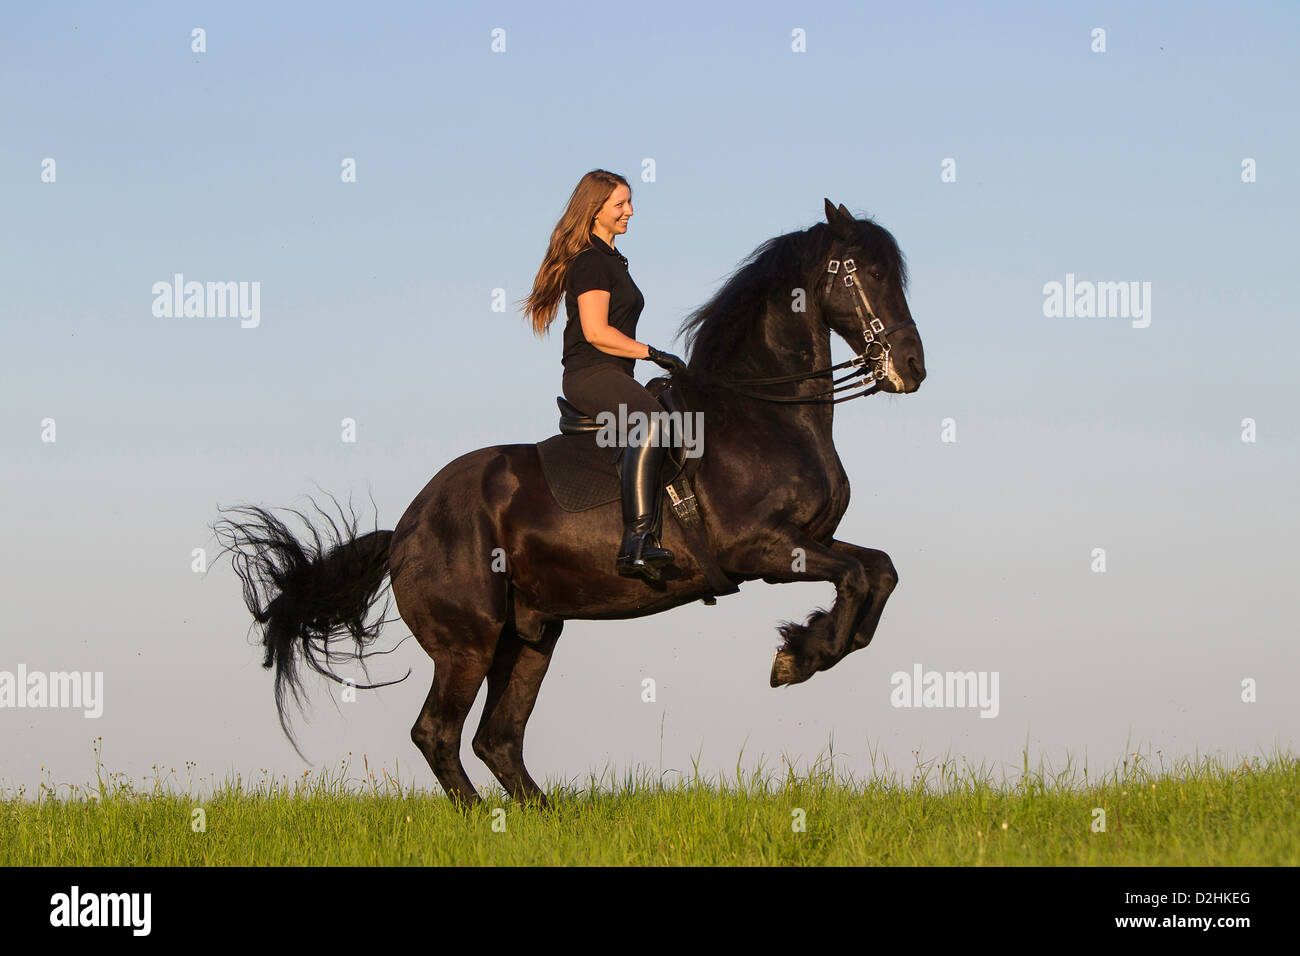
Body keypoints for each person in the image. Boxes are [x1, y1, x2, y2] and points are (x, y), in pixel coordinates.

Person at [521, 169, 688, 581]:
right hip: (590, 373)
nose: (630, 211)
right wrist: (653, 353)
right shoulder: (592, 263)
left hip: (613, 373)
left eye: (630, 202)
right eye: (620, 204)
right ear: (596, 211)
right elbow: (596, 333)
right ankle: (635, 543)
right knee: (653, 423)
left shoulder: (611, 259)